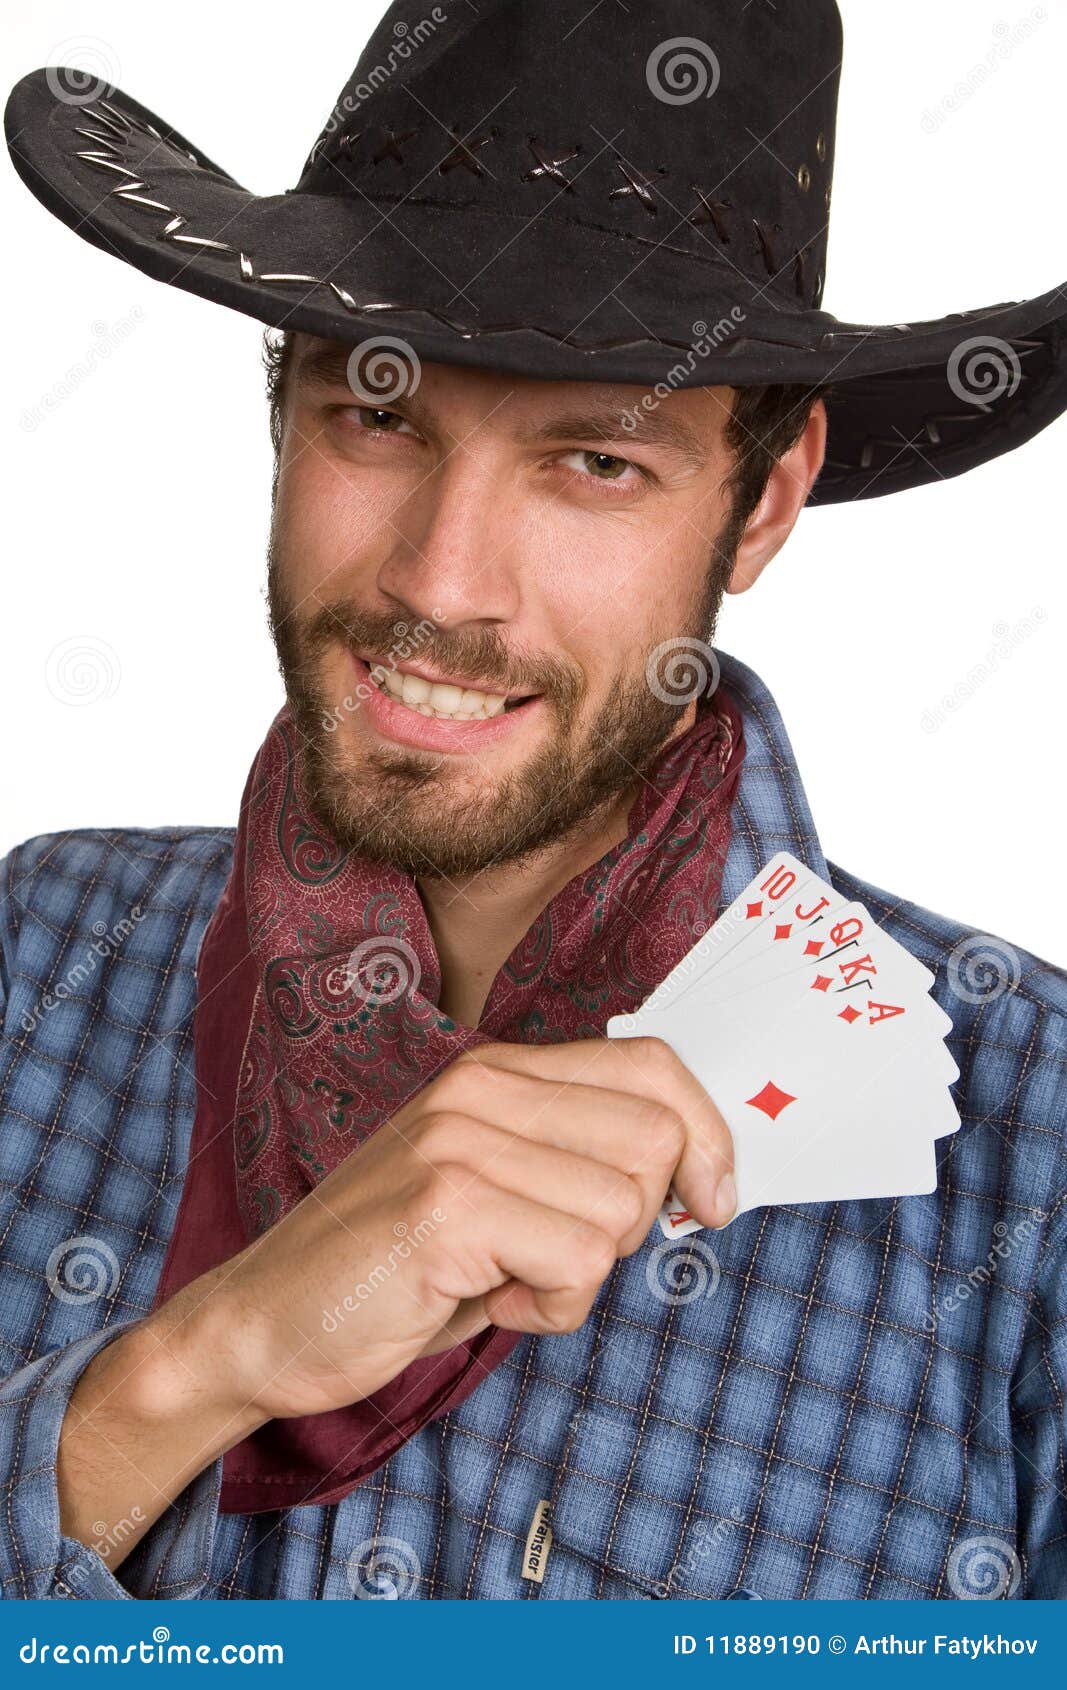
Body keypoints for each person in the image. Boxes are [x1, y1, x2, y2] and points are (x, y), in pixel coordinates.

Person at [1, 0, 1065, 1601]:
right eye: (376, 413)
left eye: (597, 463)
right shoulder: (32, 962)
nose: (442, 580)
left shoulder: (1036, 1170)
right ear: (279, 409)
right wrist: (179, 1376)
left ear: (762, 501)